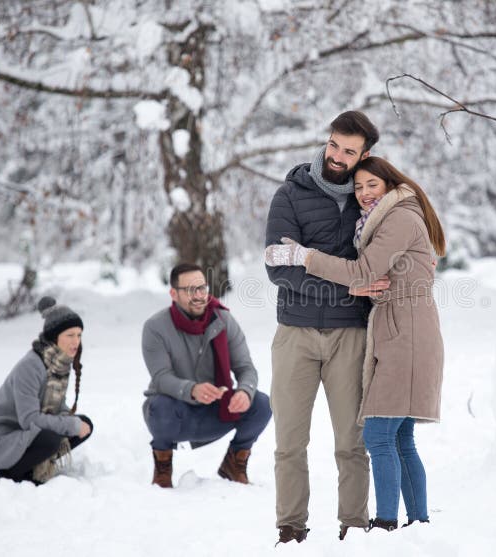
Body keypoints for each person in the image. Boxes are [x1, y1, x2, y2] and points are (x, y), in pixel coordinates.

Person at [265, 156, 445, 531]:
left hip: (404, 333)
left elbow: (363, 272)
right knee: (399, 437)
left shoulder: (397, 218)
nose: (363, 194)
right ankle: (419, 525)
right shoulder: (386, 218)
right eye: (358, 187)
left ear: (390, 184)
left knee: (378, 435)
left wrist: (304, 256)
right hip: (397, 329)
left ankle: (382, 525)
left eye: (372, 186)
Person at [265, 110, 391, 544]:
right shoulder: (290, 195)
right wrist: (349, 289)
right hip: (295, 335)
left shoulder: (372, 198)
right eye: (334, 145)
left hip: (350, 337)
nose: (338, 156)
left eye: (349, 151)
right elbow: (280, 269)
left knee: (351, 443)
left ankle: (354, 528)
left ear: (365, 154)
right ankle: (290, 530)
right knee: (289, 442)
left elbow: (382, 262)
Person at [141, 263, 271, 488]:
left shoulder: (223, 320)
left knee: (261, 404)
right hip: (177, 412)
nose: (200, 295)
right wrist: (192, 390)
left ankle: (235, 462)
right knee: (157, 406)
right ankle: (163, 467)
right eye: (191, 290)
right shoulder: (155, 327)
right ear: (174, 293)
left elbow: (246, 368)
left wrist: (244, 392)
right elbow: (161, 377)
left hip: (217, 409)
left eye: (203, 287)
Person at [0, 297, 93, 484]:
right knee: (52, 438)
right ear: (55, 336)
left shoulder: (59, 364)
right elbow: (29, 419)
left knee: (84, 424)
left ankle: (31, 465)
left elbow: (58, 406)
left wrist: (72, 422)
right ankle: (12, 474)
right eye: (70, 335)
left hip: (23, 434)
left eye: (79, 335)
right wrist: (70, 425)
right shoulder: (31, 366)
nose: (76, 342)